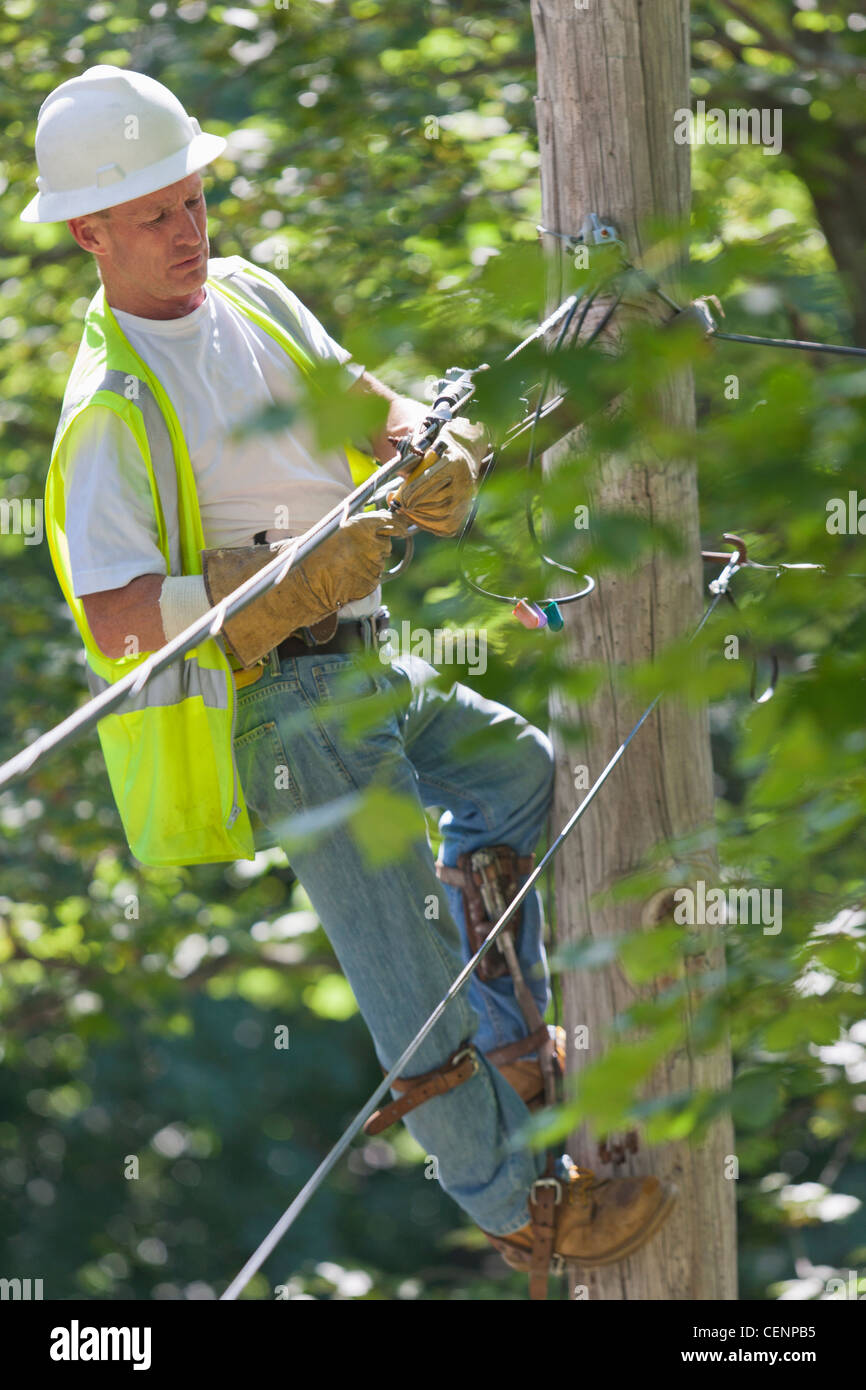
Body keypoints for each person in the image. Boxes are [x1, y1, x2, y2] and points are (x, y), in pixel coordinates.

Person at [23, 65, 675, 1299]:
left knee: (521, 777)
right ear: (86, 232)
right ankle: (518, 1211)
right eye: (153, 212)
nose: (187, 228)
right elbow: (116, 621)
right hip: (281, 711)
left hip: (370, 660)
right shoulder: (107, 407)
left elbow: (359, 406)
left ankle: (511, 1035)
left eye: (192, 197)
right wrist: (269, 586)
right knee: (401, 970)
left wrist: (425, 447)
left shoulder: (253, 296)